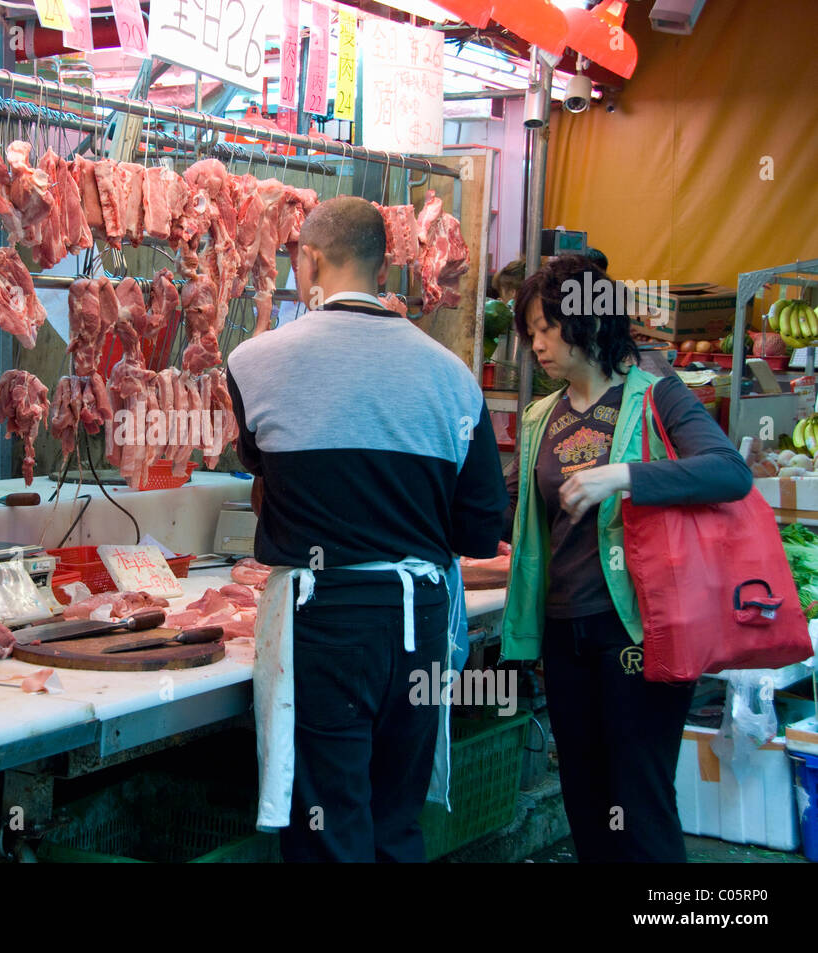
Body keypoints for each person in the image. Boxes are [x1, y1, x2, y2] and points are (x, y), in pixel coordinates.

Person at [226, 196, 508, 862]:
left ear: (311, 259)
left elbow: (266, 480)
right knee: (395, 821)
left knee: (331, 825)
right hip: (421, 622)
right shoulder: (455, 376)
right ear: (386, 267)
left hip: (327, 619)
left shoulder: (254, 362)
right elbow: (477, 531)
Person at [501, 255, 752, 863]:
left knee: (638, 800)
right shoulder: (541, 416)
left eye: (545, 327)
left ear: (589, 324)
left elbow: (729, 473)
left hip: (640, 631)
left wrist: (621, 476)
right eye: (530, 331)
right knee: (586, 797)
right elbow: (504, 506)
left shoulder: (657, 396)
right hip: (565, 633)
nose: (535, 344)